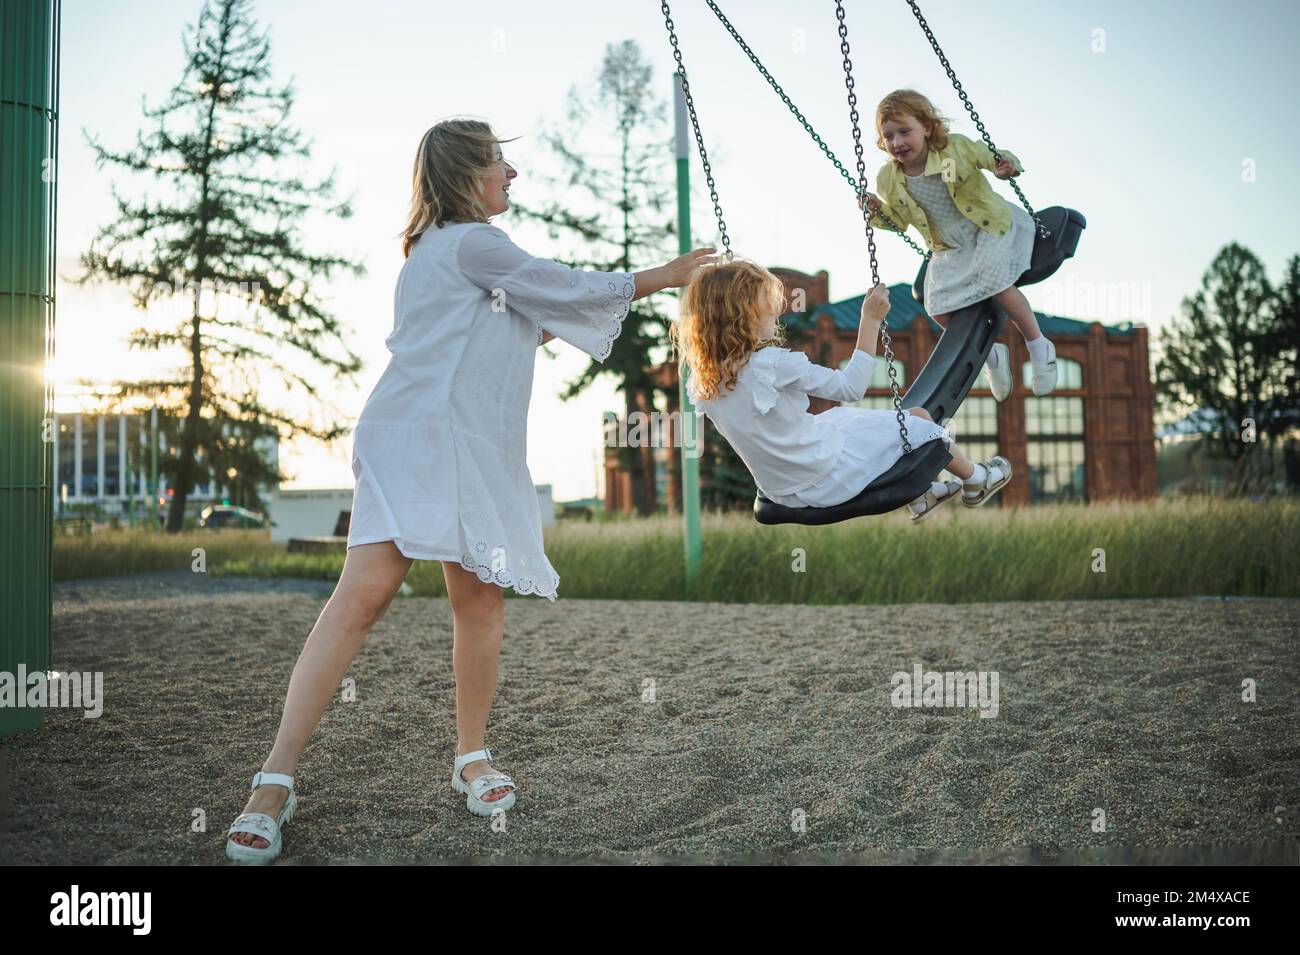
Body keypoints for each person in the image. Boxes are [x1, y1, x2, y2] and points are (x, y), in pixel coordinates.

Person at [225, 118, 714, 863]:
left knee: (478, 599)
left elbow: (525, 321)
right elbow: (565, 287)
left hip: (469, 448)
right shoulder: (470, 244)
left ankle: (471, 757)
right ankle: (273, 778)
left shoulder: (450, 254)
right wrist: (665, 275)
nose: (511, 177)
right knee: (360, 600)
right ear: (465, 175)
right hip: (417, 441)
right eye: (498, 164)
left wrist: (607, 300)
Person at [672, 258, 1011, 523]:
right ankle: (977, 478)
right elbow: (851, 387)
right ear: (743, 314)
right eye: (768, 304)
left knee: (846, 422)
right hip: (825, 477)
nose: (778, 310)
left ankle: (922, 496)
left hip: (780, 489)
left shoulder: (703, 380)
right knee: (920, 421)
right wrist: (870, 321)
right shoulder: (773, 364)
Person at [858, 88, 1057, 402]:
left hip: (987, 226)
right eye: (889, 136)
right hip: (948, 247)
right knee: (936, 305)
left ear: (927, 127)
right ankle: (993, 355)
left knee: (998, 283)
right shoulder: (889, 179)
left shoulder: (955, 149)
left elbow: (989, 156)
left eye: (904, 132)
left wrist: (1005, 165)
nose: (897, 143)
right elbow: (899, 222)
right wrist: (877, 213)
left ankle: (1038, 344)